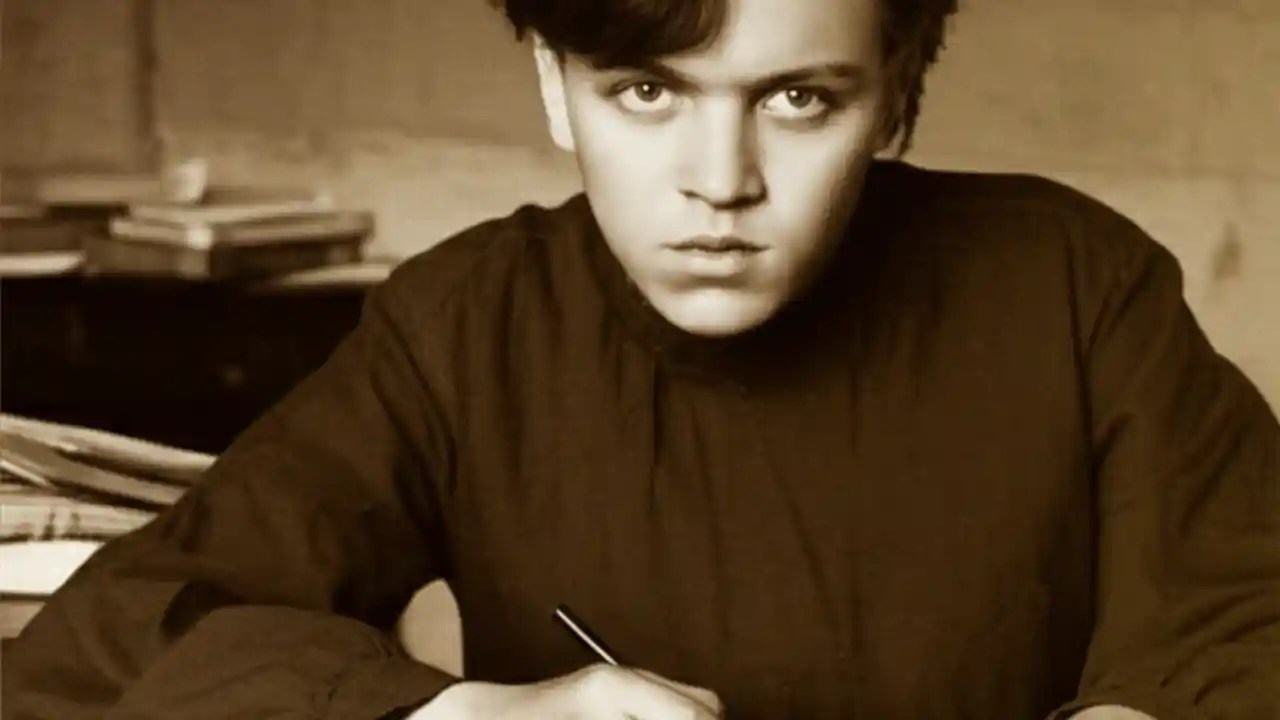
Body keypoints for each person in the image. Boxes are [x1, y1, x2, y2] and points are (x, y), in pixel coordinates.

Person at [5, 0, 1277, 717]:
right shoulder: (466, 325)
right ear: (556, 89)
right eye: (645, 94)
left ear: (894, 97)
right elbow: (113, 639)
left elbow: (1247, 626)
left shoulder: (1074, 288)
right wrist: (468, 719)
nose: (718, 186)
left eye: (797, 100)